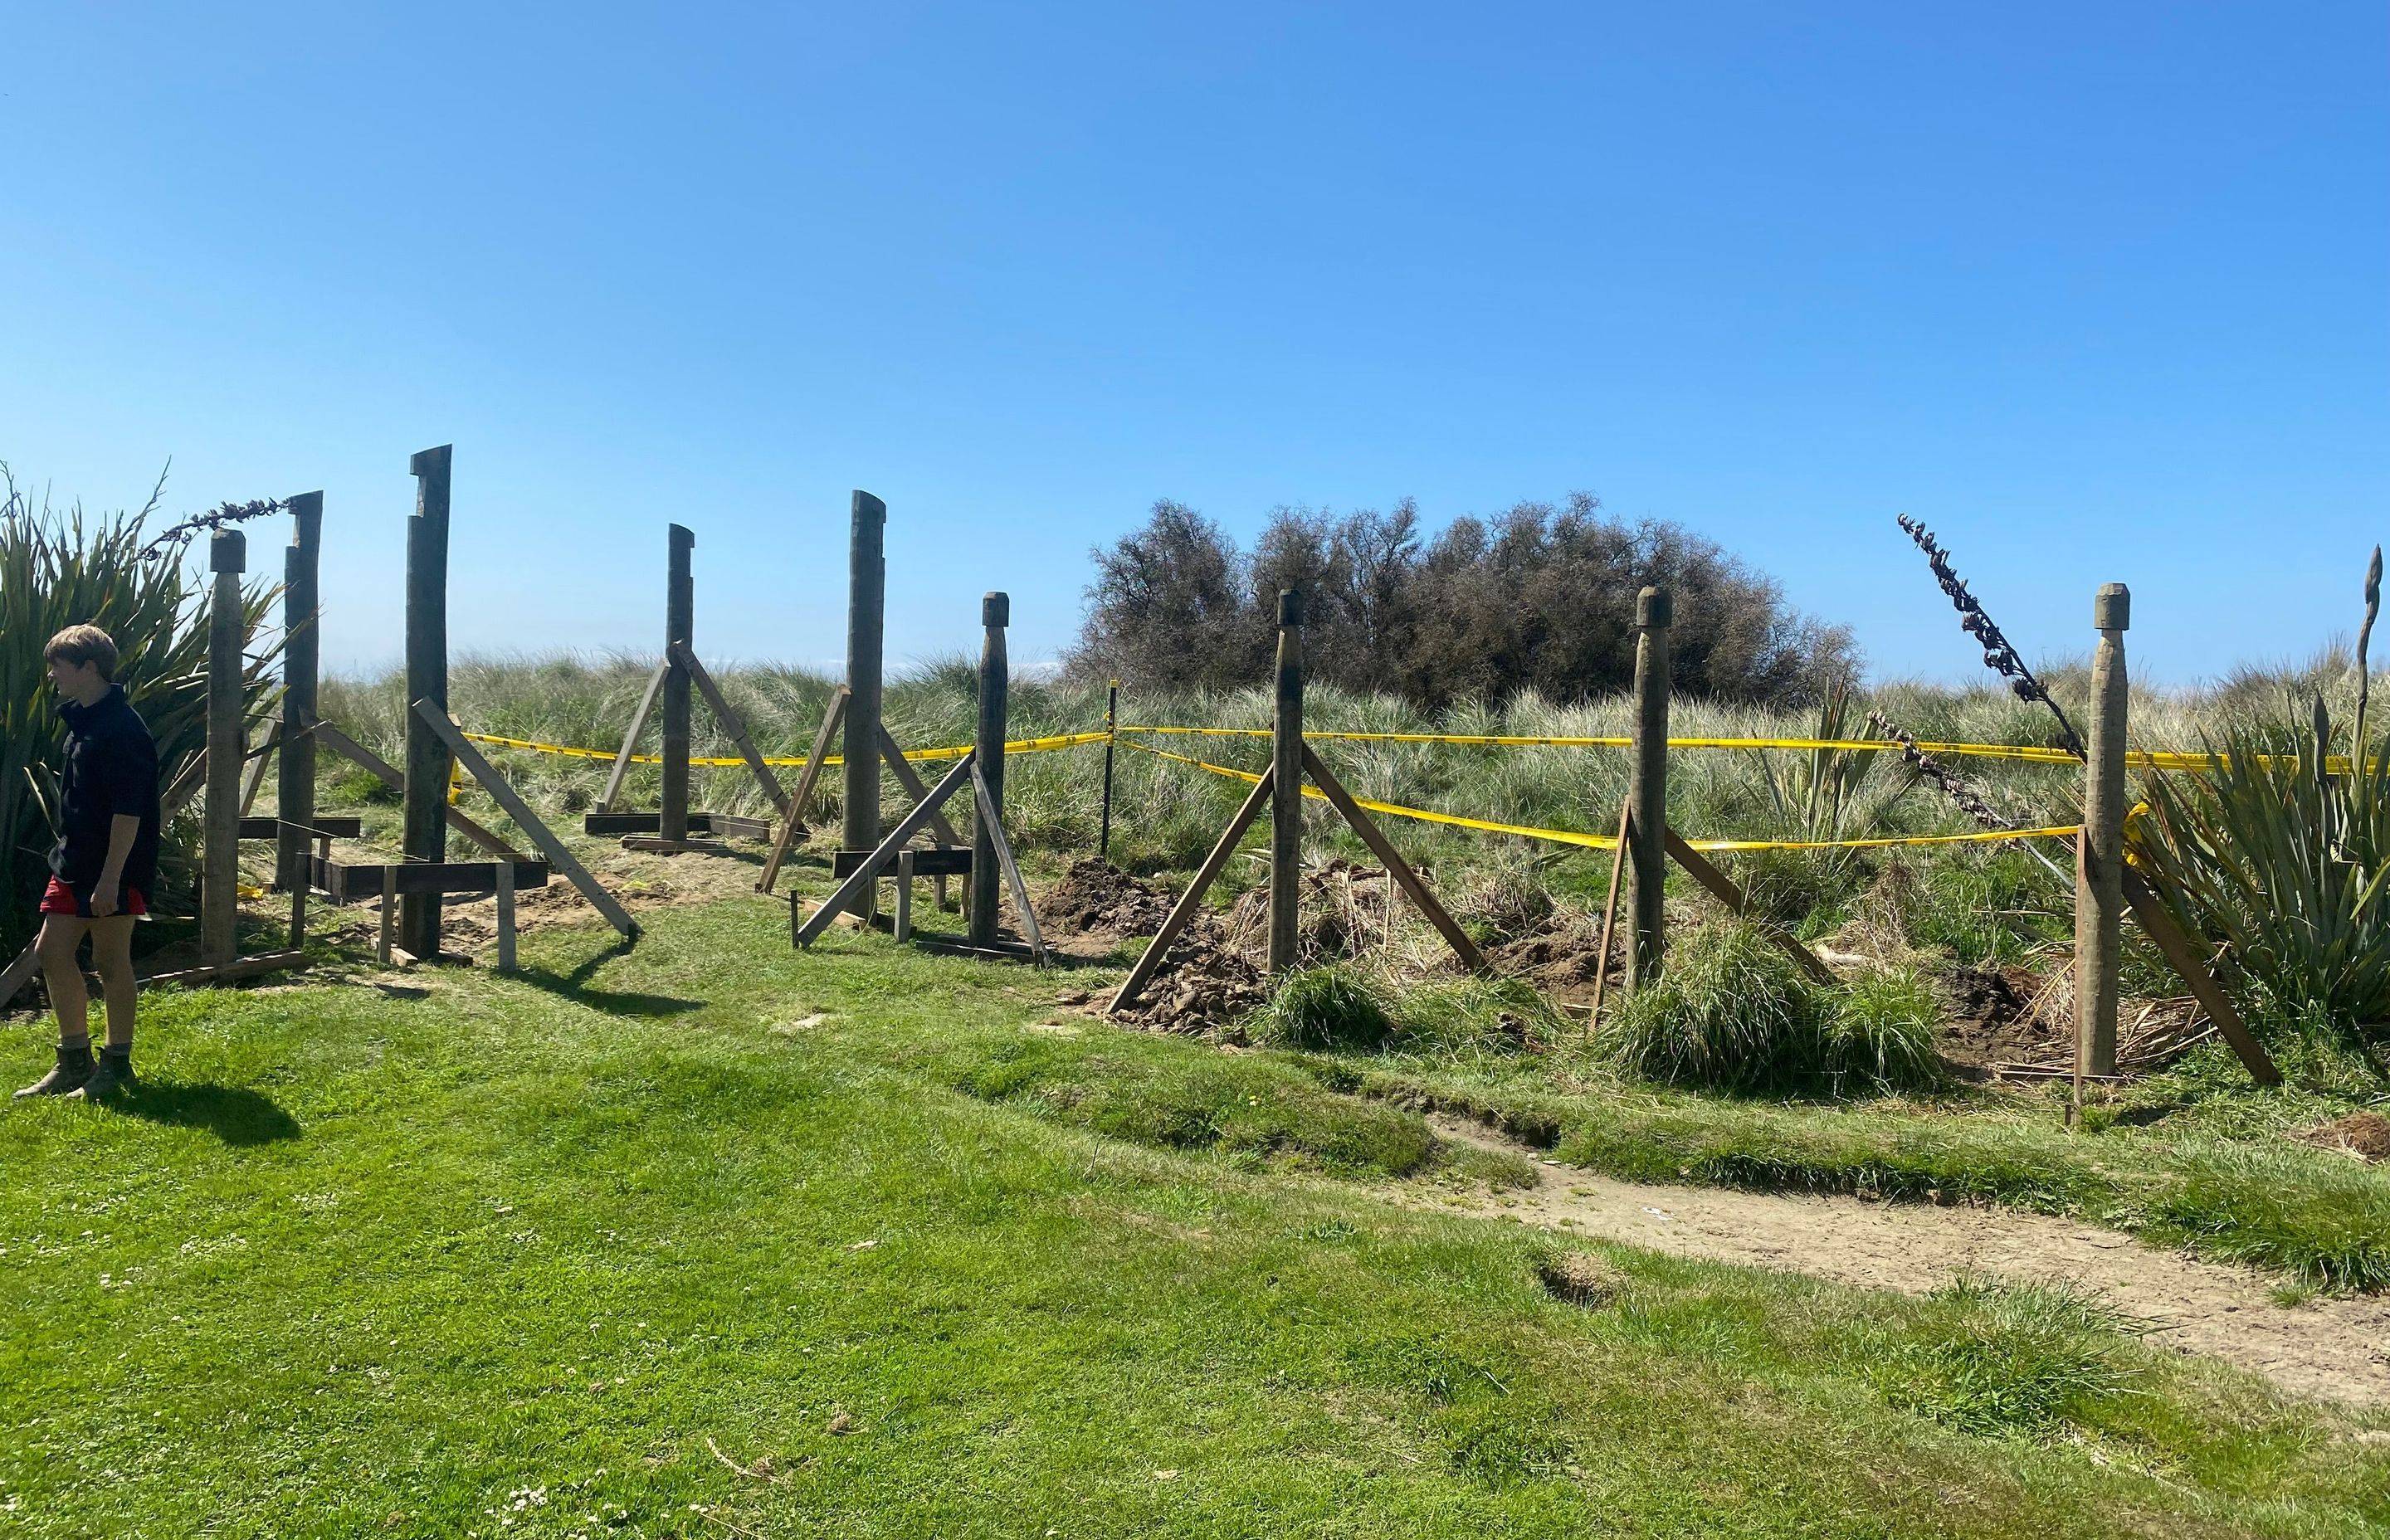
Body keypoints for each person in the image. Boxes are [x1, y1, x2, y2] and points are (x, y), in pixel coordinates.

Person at [15, 625, 159, 1100]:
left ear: (89, 667)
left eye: (58, 665)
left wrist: (111, 880)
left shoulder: (123, 730)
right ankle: (74, 1061)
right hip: (74, 861)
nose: (51, 674)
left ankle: (117, 1066)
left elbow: (129, 812)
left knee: (109, 960)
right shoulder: (83, 720)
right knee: (51, 953)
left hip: (114, 868)